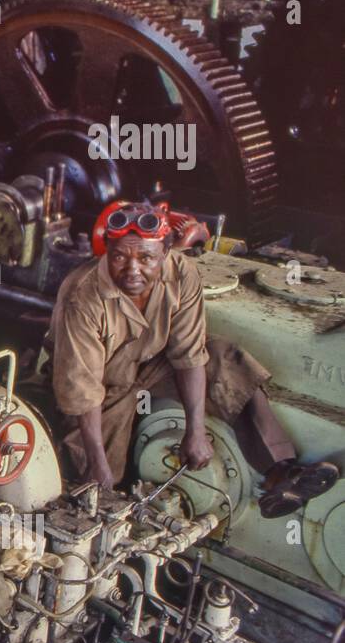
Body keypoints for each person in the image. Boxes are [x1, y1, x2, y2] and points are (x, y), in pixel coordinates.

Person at [49, 202, 338, 516]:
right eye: (120, 256)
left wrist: (195, 431)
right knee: (96, 482)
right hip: (105, 386)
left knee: (224, 359)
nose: (133, 270)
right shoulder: (83, 295)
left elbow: (189, 354)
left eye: (146, 258)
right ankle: (101, 520)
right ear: (107, 250)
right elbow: (83, 390)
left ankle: (281, 475)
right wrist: (98, 464)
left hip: (154, 363)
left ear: (166, 252)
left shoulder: (182, 272)